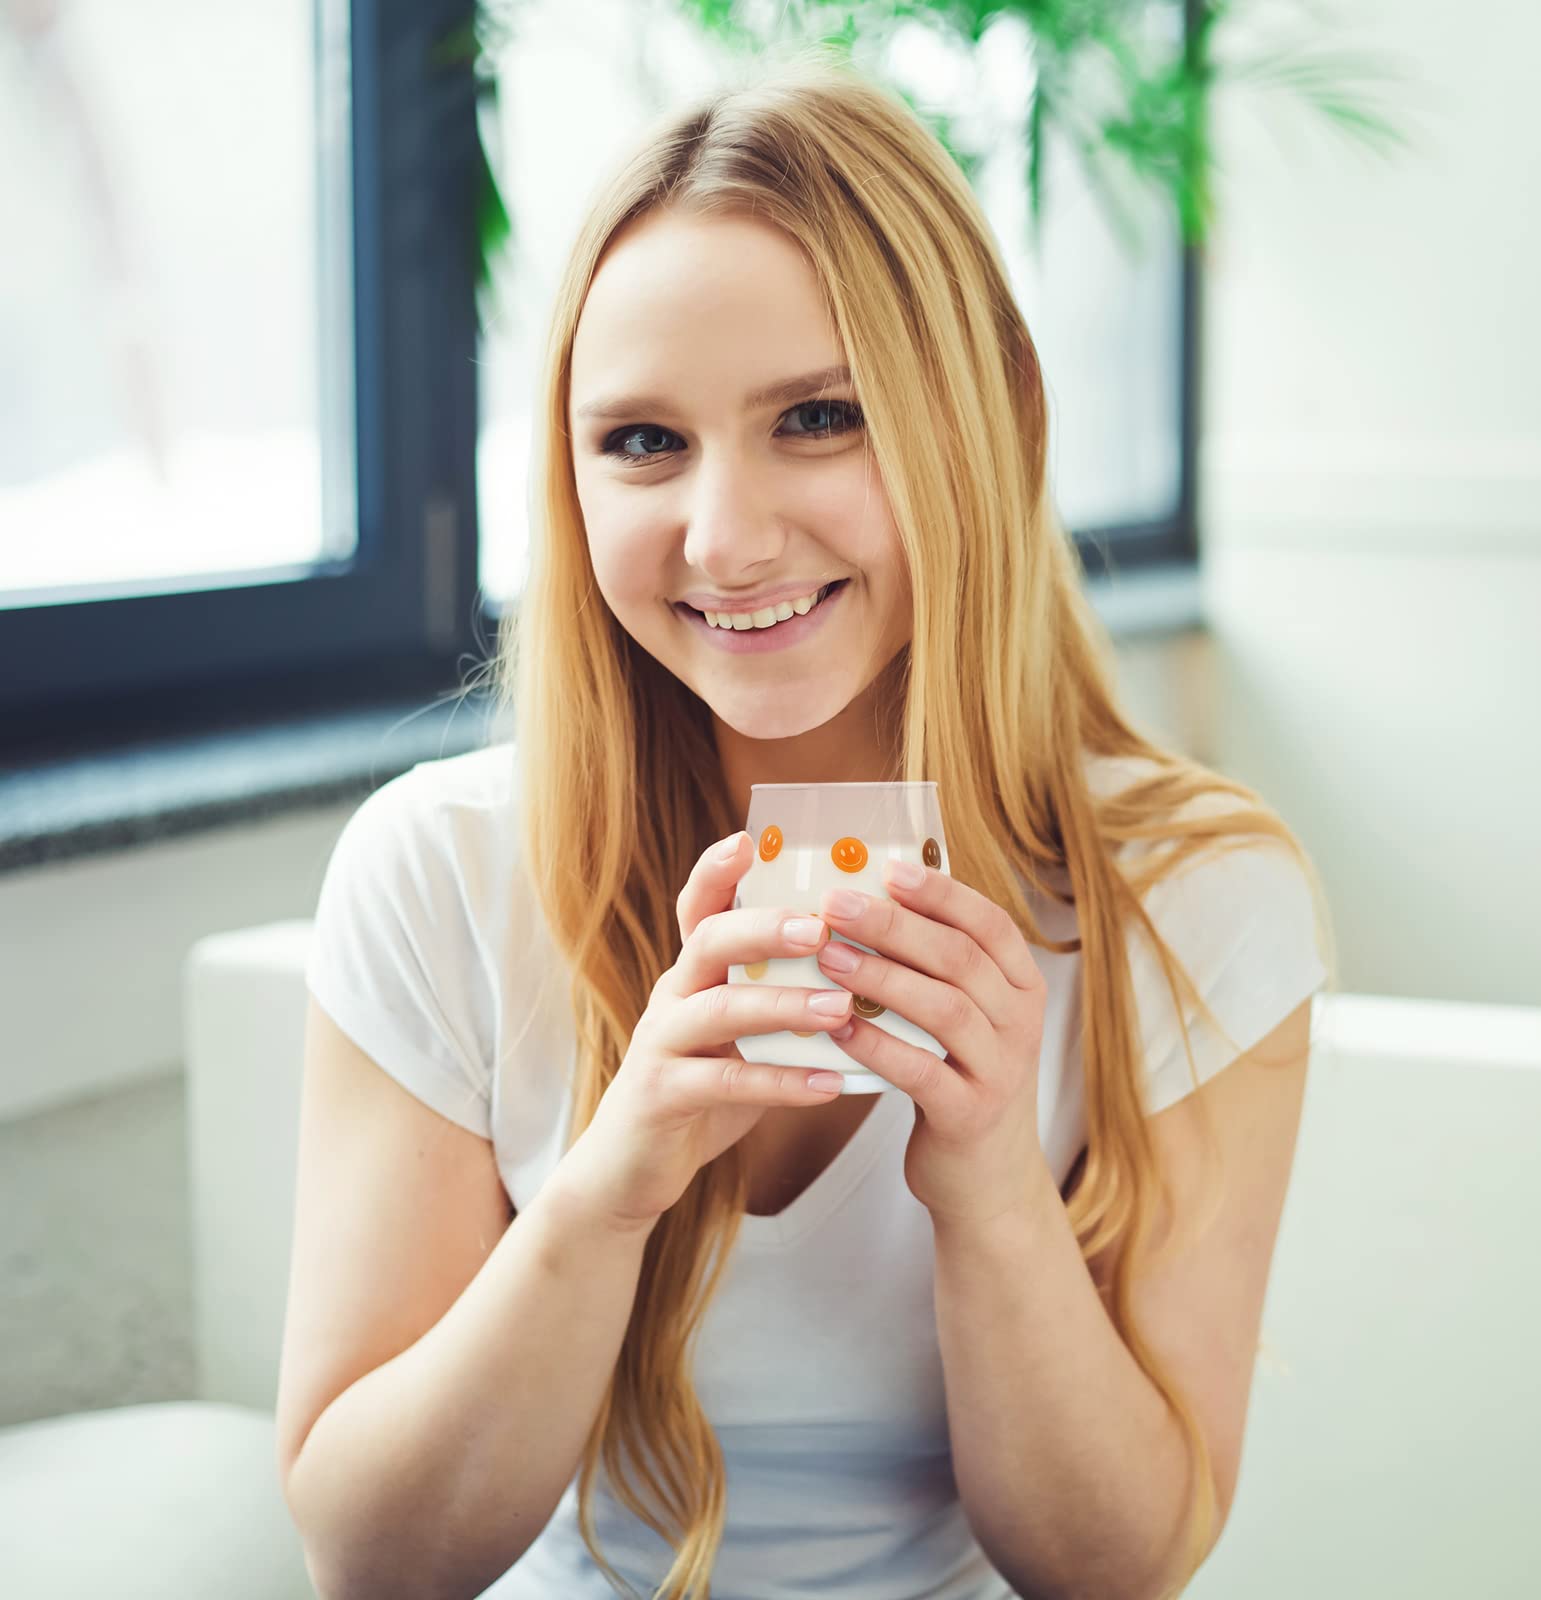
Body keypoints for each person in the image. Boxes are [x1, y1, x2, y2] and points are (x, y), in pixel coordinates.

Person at [275, 51, 1337, 1600]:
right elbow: (369, 1561)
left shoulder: (1193, 898)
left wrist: (986, 1183)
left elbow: (1122, 1567)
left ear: (987, 421)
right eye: (643, 440)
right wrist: (602, 1194)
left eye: (821, 418)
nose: (725, 535)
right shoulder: (436, 873)